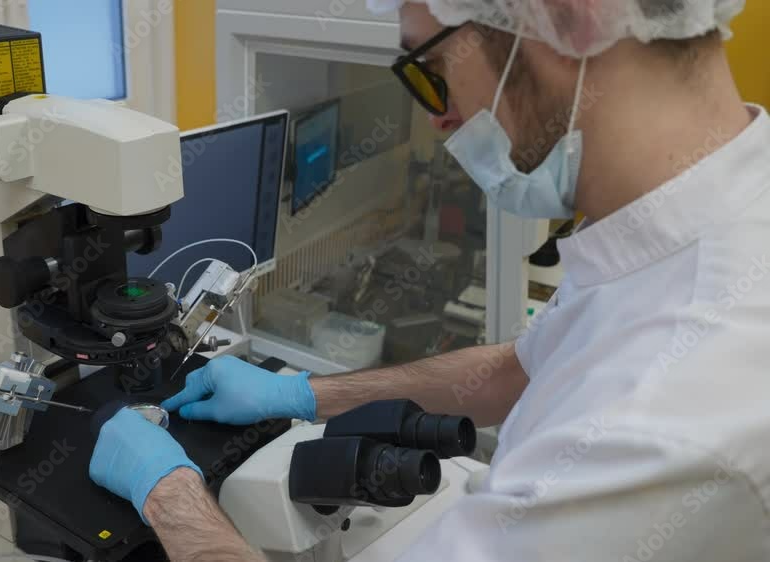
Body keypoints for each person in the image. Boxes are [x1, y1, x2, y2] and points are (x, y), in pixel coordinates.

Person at [89, 0, 770, 560]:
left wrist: (169, 491)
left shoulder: (669, 413)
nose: (438, 119)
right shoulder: (700, 225)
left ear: (571, 15)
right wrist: (301, 393)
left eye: (429, 67)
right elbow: (526, 368)